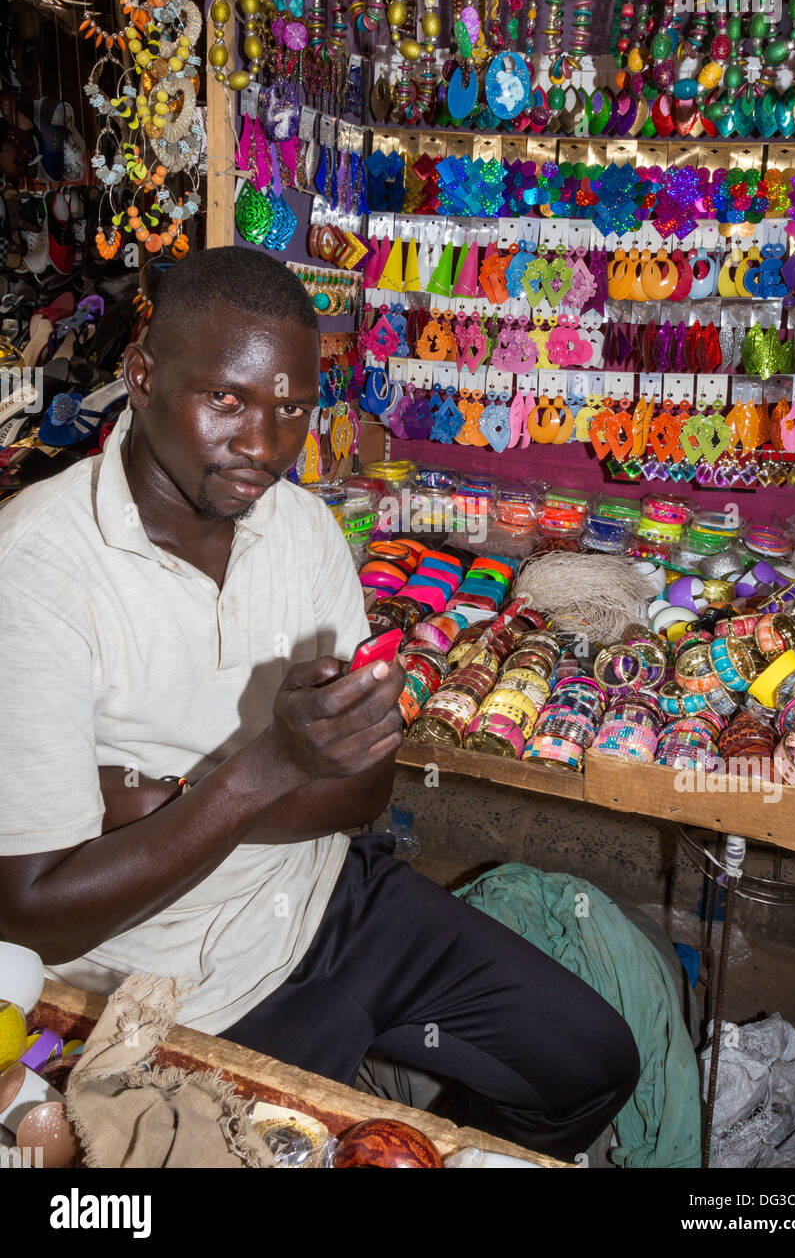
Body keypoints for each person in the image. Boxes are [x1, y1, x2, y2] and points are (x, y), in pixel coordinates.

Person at [0, 247, 639, 1161]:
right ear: (141, 377)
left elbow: (364, 790)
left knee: (593, 1061)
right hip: (175, 981)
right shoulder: (36, 571)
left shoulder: (299, 530)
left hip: (326, 898)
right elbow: (37, 909)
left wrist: (175, 798)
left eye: (291, 408)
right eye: (227, 399)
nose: (264, 444)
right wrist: (268, 769)